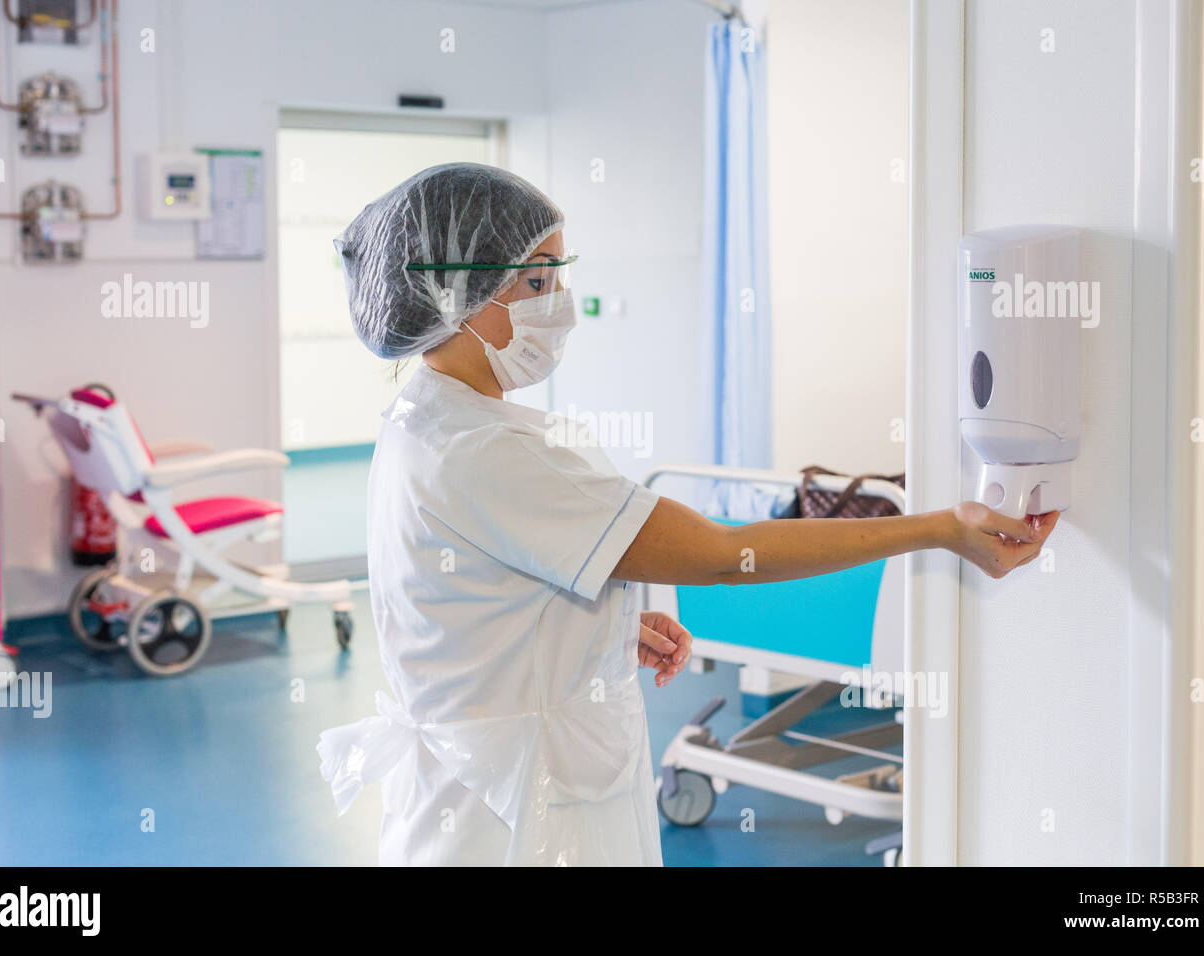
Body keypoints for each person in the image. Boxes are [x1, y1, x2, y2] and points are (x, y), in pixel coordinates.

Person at [316, 162, 1058, 866]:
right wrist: (937, 529)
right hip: (526, 813)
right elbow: (718, 553)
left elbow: (459, 603)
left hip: (474, 791)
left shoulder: (421, 419)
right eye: (536, 281)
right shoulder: (491, 450)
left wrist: (597, 627)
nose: (560, 305)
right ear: (458, 296)